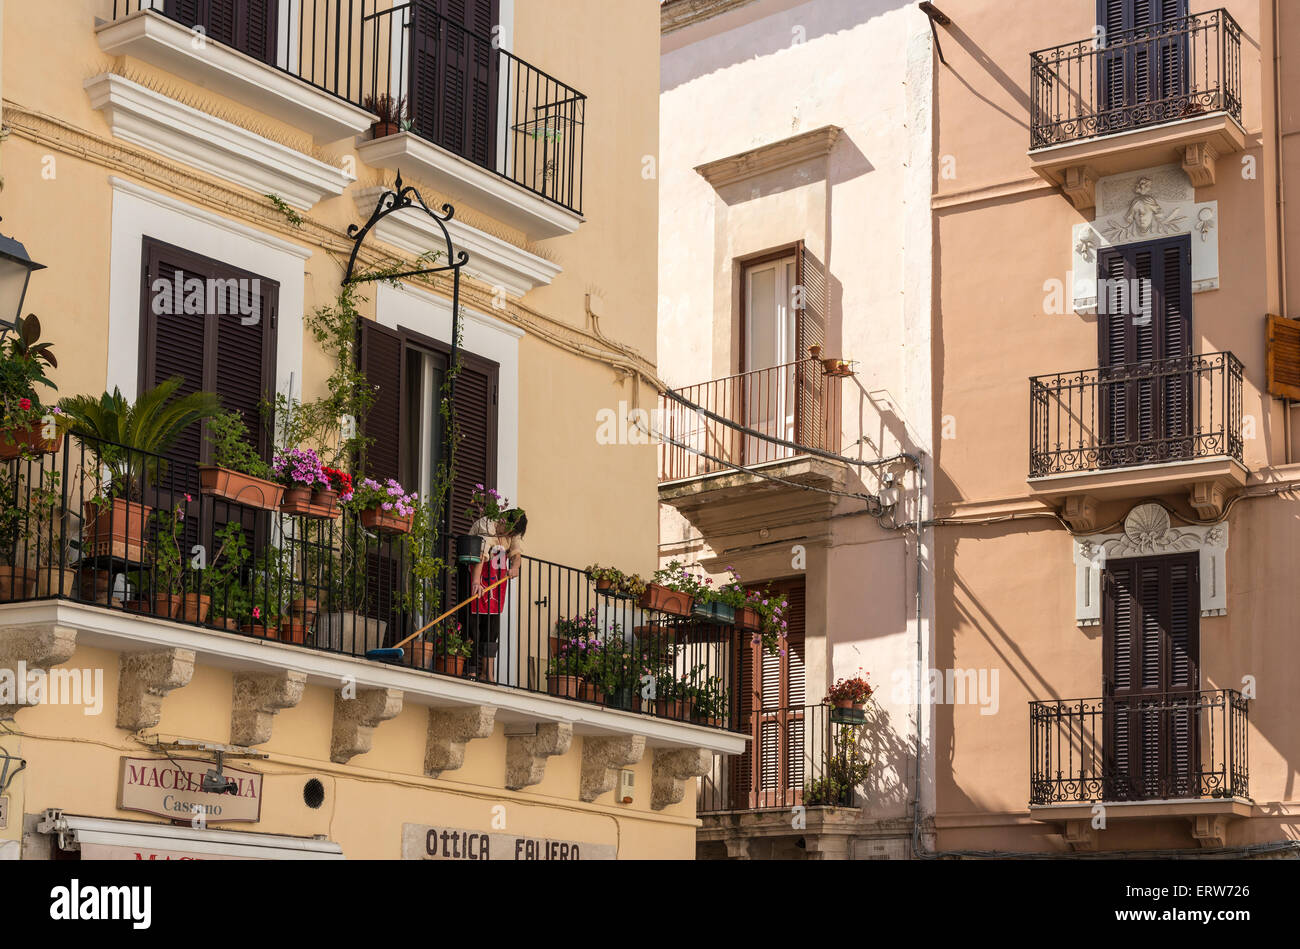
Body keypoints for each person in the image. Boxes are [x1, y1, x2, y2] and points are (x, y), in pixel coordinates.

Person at [464, 507, 526, 682]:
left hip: (496, 583)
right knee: (473, 625)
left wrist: (515, 567)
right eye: (510, 531)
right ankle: (471, 671)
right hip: (476, 572)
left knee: (492, 628)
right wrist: (476, 582)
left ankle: (488, 673)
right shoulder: (487, 525)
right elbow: (481, 557)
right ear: (505, 521)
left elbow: (516, 554)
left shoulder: (511, 532)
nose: (510, 535)